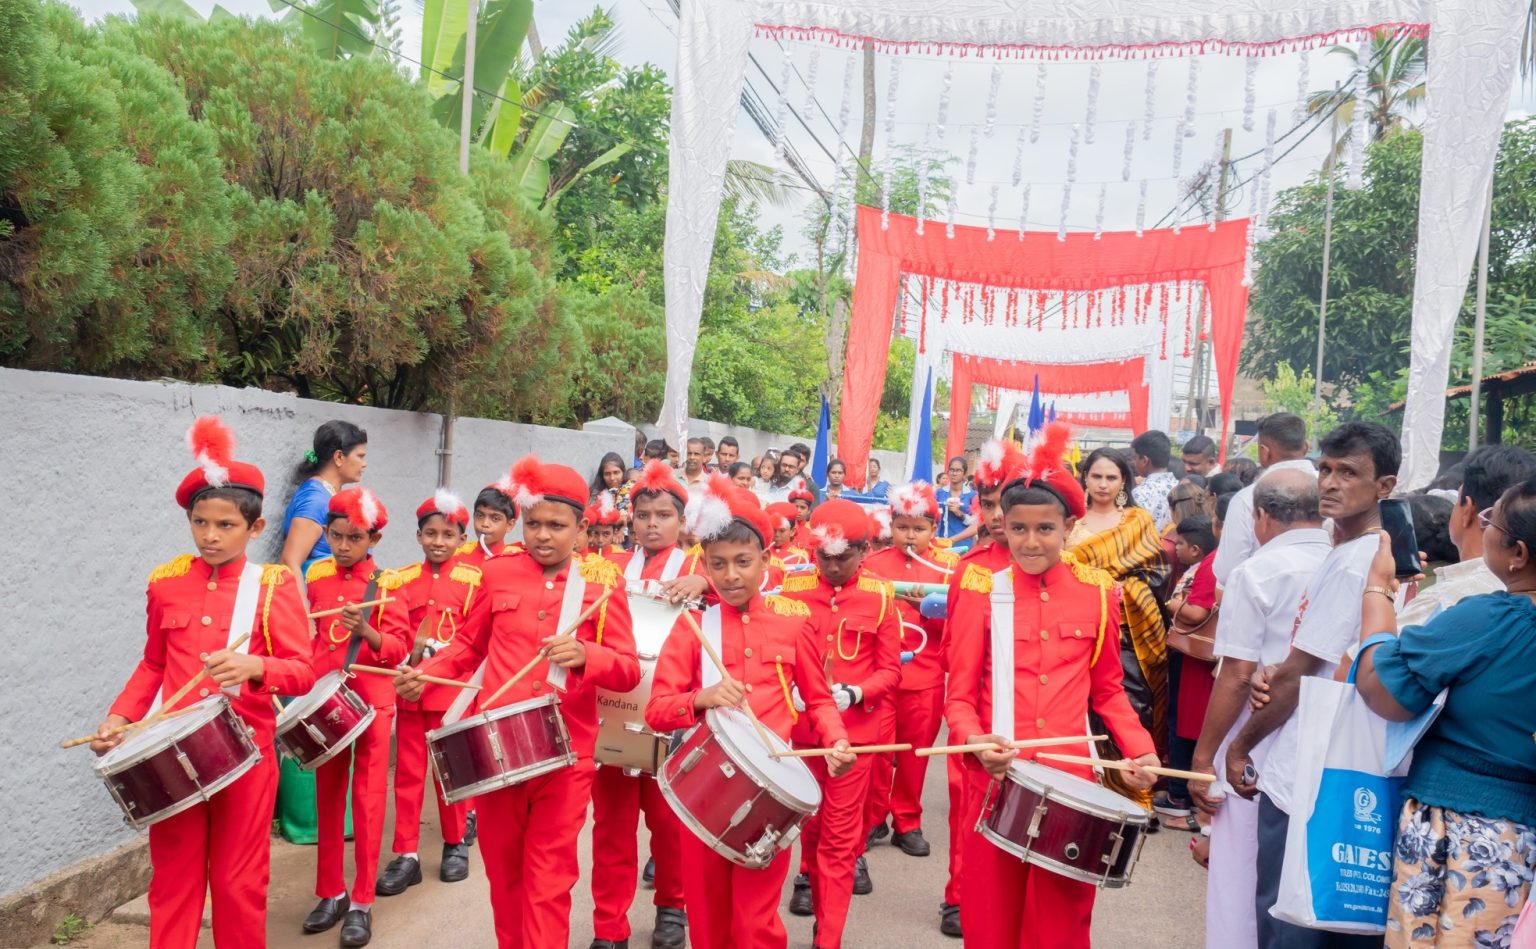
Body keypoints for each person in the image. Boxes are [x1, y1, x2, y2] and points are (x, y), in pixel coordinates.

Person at [396, 457, 641, 948]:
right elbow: (469, 645)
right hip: (498, 749)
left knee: (550, 878)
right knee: (505, 873)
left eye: (557, 525)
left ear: (582, 528)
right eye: (534, 524)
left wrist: (586, 654)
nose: (543, 535)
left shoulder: (600, 586)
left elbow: (629, 669)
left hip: (567, 756)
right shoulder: (500, 574)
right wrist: (424, 674)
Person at [91, 416, 315, 949]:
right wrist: (121, 717)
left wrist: (258, 668)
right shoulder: (167, 582)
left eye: (226, 525)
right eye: (200, 523)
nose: (210, 536)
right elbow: (151, 664)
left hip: (248, 755)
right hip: (173, 755)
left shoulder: (273, 585)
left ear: (254, 529)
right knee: (173, 882)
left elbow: (303, 671)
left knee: (240, 883)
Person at [945, 422, 1159, 948]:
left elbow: (1107, 690)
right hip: (995, 778)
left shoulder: (1100, 593)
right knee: (990, 922)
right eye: (1018, 529)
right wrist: (973, 740)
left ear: (1069, 528)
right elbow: (959, 696)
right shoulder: (981, 591)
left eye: (1045, 529)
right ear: (1003, 526)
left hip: (1071, 782)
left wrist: (1140, 750)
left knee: (1061, 925)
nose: (1031, 541)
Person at [644, 478, 854, 949]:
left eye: (743, 562)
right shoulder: (693, 628)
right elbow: (657, 711)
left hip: (770, 800)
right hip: (701, 795)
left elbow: (818, 699)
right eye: (718, 565)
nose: (731, 575)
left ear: (766, 560)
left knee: (756, 924)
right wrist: (700, 698)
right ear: (704, 566)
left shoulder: (792, 623)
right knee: (708, 920)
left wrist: (836, 739)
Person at [1224, 421, 1400, 949]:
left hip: (1309, 770)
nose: (1330, 482)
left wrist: (1239, 746)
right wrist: (1274, 675)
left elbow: (1300, 672)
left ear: (1384, 487)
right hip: (1327, 768)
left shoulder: (1355, 562)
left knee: (1287, 926)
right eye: (1325, 468)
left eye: (1349, 473)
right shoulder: (1354, 551)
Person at [1346, 479, 1536, 948]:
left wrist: (1378, 590)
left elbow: (1383, 690)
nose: (1482, 527)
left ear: (1519, 553)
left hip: (1469, 833)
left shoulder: (1492, 619)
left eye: (1492, 522)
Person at [1189, 469, 1329, 949]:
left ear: (1261, 517)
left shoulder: (1258, 572)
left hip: (1258, 739)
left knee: (1241, 871)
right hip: (1327, 739)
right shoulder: (1344, 563)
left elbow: (1237, 674)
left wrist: (1203, 758)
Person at [588, 462, 703, 949]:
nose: (651, 524)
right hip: (613, 713)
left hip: (672, 714)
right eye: (642, 515)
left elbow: (752, 586)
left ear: (681, 522)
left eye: (663, 515)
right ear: (629, 520)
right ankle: (609, 928)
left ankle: (672, 908)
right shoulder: (609, 568)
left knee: (669, 825)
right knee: (610, 829)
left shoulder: (699, 570)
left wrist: (707, 585)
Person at [779, 501, 902, 948]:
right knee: (808, 826)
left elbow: (891, 672)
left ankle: (827, 937)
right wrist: (788, 687)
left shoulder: (881, 594)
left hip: (854, 740)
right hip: (800, 734)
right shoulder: (790, 588)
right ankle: (808, 879)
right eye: (823, 557)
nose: (832, 567)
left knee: (840, 836)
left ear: (864, 550)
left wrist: (858, 692)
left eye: (843, 558)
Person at [299, 488, 412, 946]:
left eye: (355, 538)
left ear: (375, 538)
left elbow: (402, 649)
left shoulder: (389, 584)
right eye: (336, 535)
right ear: (326, 532)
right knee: (327, 800)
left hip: (372, 702)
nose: (344, 546)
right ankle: (331, 891)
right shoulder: (317, 576)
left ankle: (363, 900)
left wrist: (367, 630)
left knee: (367, 803)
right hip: (327, 702)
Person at [378, 492, 482, 900]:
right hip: (409, 692)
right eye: (431, 533)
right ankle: (406, 853)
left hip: (452, 695)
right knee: (407, 775)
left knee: (451, 772)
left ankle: (456, 842)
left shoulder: (475, 582)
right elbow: (397, 635)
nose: (439, 541)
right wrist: (410, 660)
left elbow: (473, 641)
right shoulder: (400, 580)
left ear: (461, 538)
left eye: (448, 534)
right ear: (419, 536)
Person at [862, 482, 960, 859]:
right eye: (903, 527)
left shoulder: (947, 569)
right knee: (877, 752)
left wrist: (928, 610)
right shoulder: (872, 564)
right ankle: (873, 818)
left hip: (925, 676)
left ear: (934, 530)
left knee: (917, 754)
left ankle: (908, 820)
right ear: (892, 525)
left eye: (919, 529)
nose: (910, 535)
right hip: (880, 676)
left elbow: (956, 626)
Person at [1067, 447, 1169, 799]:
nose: (1103, 484)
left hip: (1127, 632)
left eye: (1111, 477)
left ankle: (1131, 792)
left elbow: (1157, 573)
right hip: (1078, 627)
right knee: (1077, 709)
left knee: (1129, 707)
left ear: (1123, 480)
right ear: (1085, 478)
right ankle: (1087, 787)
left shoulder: (1136, 521)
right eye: (1096, 476)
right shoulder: (1071, 522)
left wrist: (1120, 589)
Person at [1396, 445, 1536, 626]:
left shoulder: (1444, 599)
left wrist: (1378, 588)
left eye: (1491, 518)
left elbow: (1367, 655)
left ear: (1468, 511)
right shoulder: (1521, 599)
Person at [1157, 514, 1219, 830]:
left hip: (1195, 656)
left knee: (1186, 723)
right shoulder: (1211, 562)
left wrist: (1172, 604)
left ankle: (1184, 801)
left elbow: (1199, 611)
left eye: (1179, 543)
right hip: (1195, 655)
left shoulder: (1211, 565)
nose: (1175, 548)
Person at [1212, 413, 1315, 586]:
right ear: (1305, 447)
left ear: (1264, 452)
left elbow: (1227, 572)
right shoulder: (1330, 492)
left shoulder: (1248, 498)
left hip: (1264, 602)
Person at [280, 420, 369, 581]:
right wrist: (303, 607)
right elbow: (290, 562)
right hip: (316, 602)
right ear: (339, 457)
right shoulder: (315, 500)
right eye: (360, 456)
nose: (364, 464)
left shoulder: (329, 494)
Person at [456, 481, 524, 567]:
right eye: (480, 516)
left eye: (495, 518)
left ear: (510, 525)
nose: (485, 523)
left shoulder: (517, 563)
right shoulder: (457, 557)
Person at [1130, 430, 1179, 531]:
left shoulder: (1140, 493)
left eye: (1136, 458)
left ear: (1144, 460)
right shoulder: (1181, 487)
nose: (1135, 462)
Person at [935, 457, 978, 551]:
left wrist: (960, 514)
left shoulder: (973, 495)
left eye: (958, 470)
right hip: (941, 543)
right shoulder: (939, 493)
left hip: (963, 545)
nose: (954, 473)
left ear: (965, 474)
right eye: (952, 470)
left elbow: (978, 523)